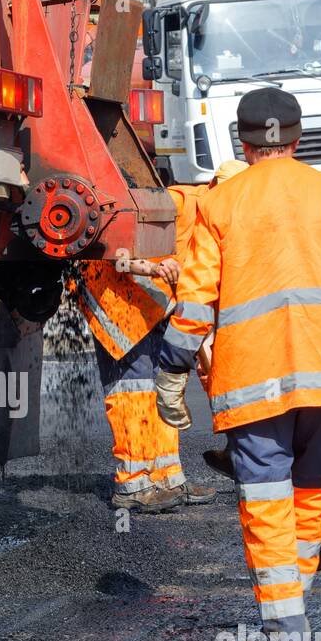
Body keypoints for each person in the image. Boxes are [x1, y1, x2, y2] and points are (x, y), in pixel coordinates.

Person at [153, 88, 321, 641]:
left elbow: (196, 301)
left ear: (243, 142)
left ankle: (286, 638)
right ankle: (293, 614)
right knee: (309, 495)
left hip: (256, 378)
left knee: (265, 501)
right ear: (297, 139)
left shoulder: (221, 204)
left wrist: (170, 371)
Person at [75, 160, 248, 513]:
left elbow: (201, 296)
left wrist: (207, 359)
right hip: (111, 292)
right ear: (218, 189)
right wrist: (151, 267)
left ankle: (167, 477)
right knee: (133, 388)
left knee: (163, 386)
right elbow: (115, 250)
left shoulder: (222, 227)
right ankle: (132, 485)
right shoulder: (176, 203)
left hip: (150, 302)